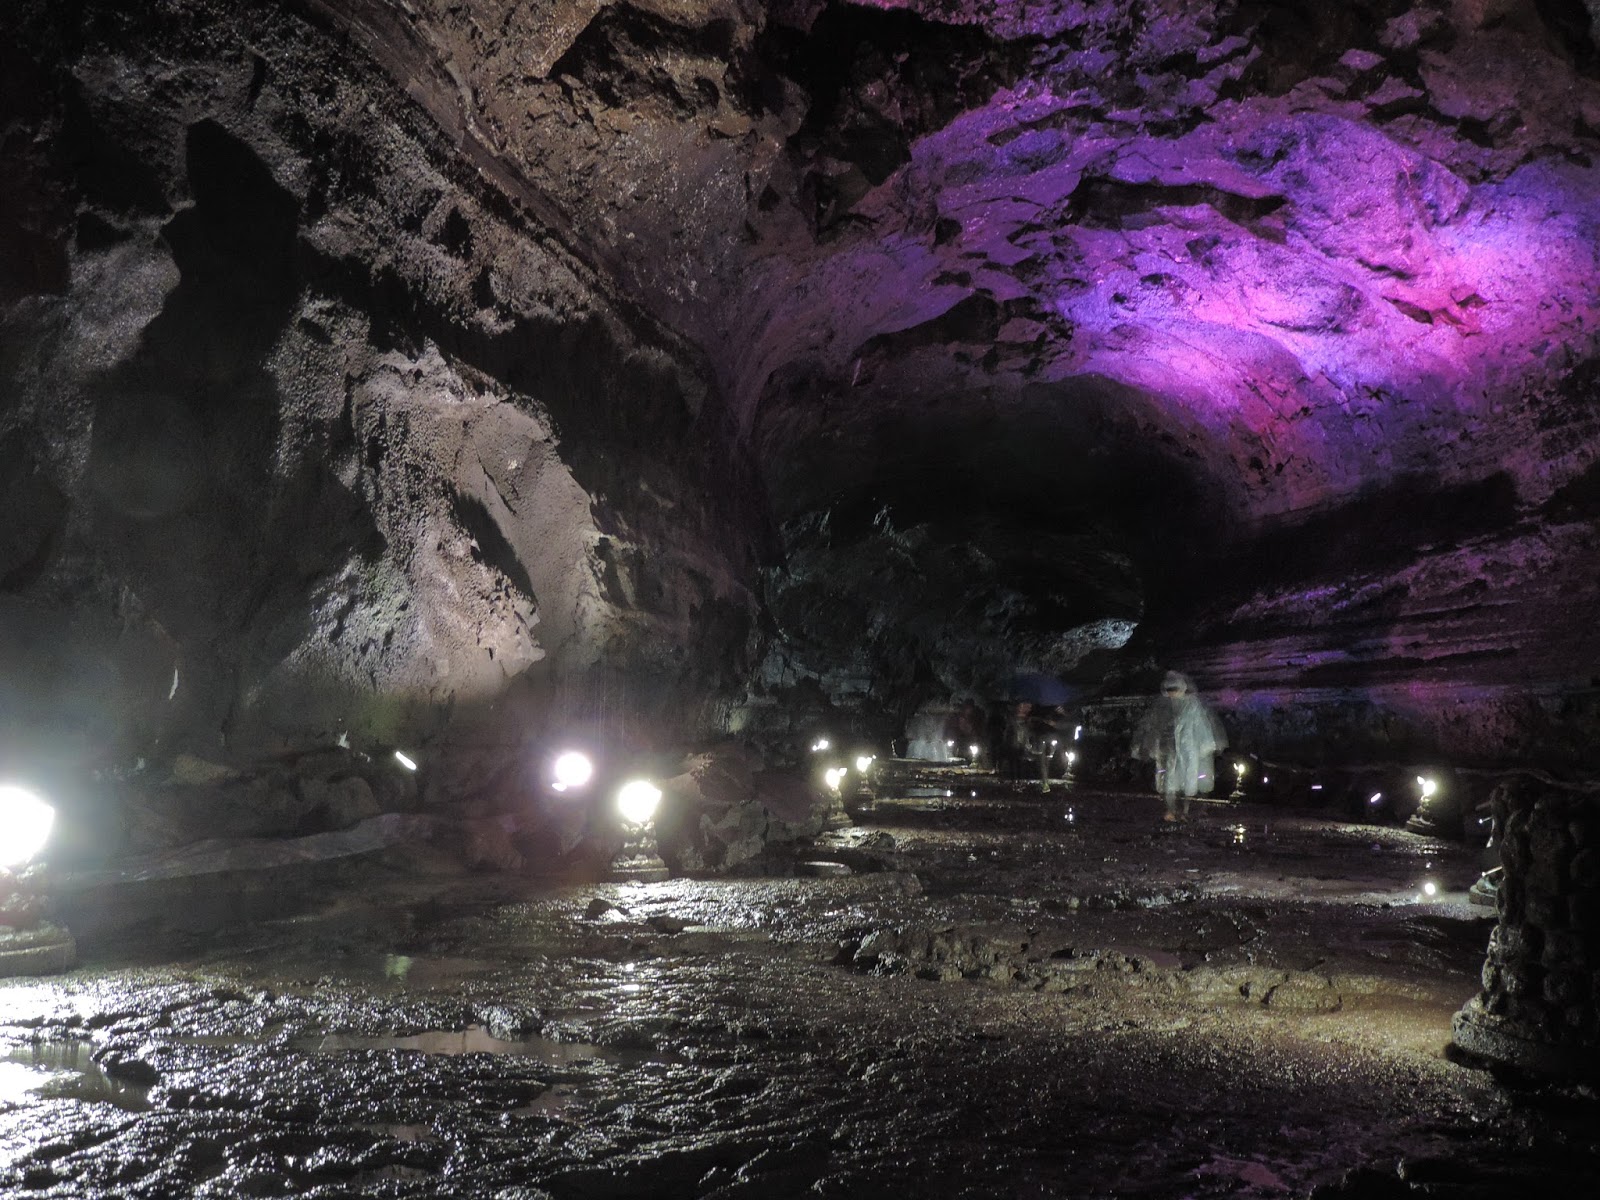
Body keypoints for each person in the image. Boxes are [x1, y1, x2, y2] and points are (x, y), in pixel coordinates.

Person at [1131, 671, 1227, 822]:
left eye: (1174, 690)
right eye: (1169, 691)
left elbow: (1202, 727)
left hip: (1189, 749)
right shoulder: (1162, 706)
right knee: (1169, 783)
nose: (1172, 694)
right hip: (1169, 751)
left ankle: (1185, 810)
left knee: (1189, 782)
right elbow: (1153, 726)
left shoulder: (1192, 704)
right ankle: (1171, 810)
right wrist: (1149, 745)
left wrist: (1207, 746)